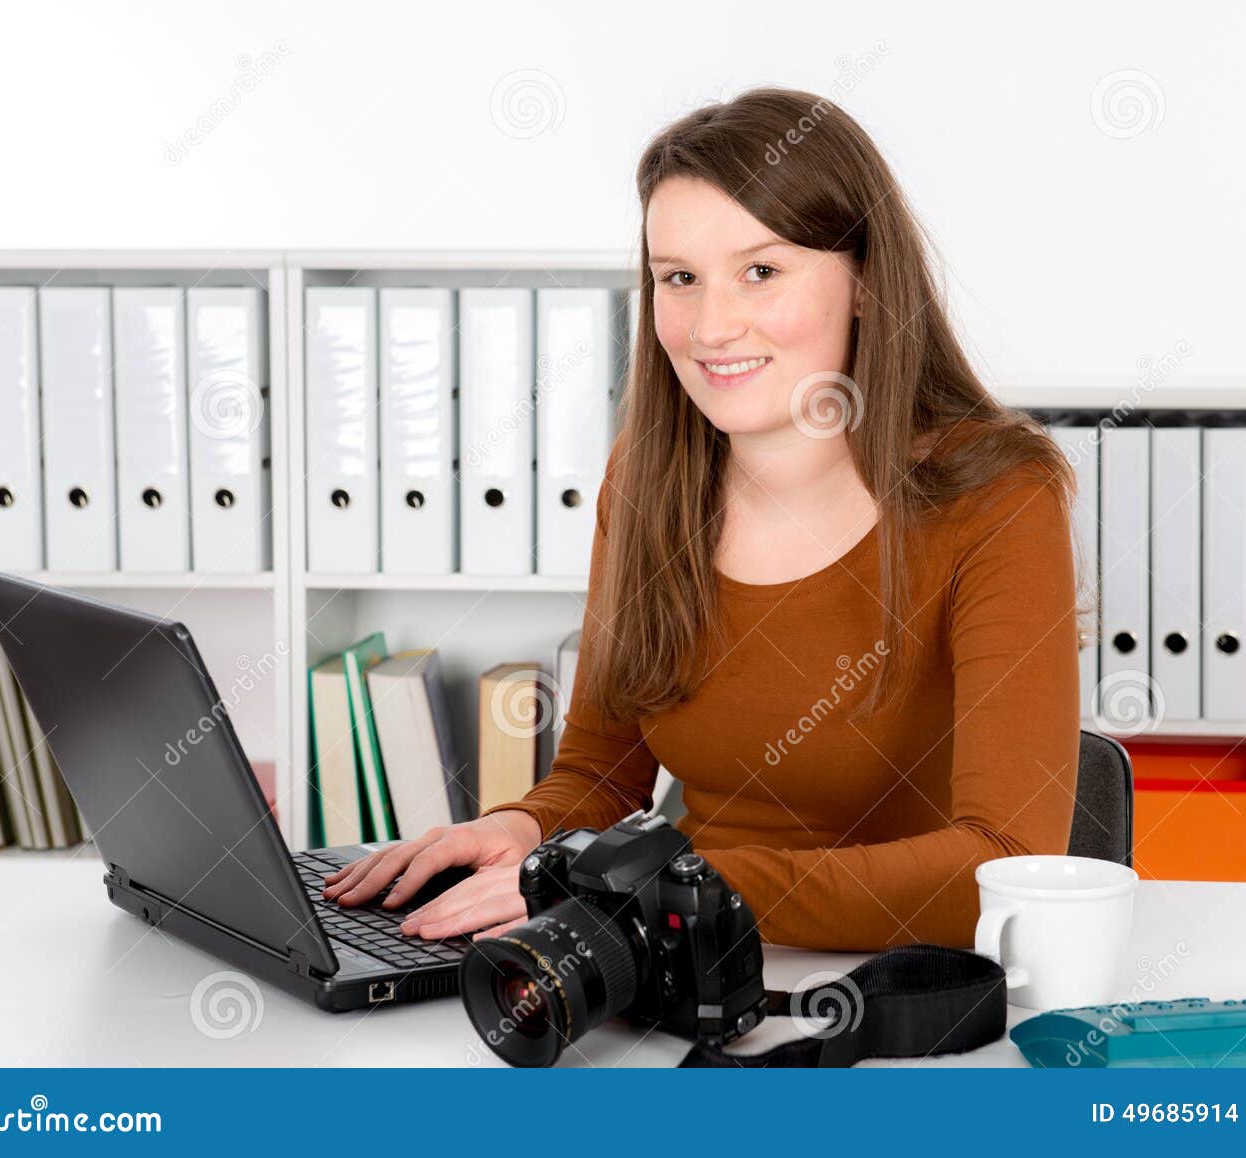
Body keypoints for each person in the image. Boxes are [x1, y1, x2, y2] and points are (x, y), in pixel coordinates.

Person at [323, 86, 1088, 952]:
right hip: (675, 955)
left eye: (760, 272)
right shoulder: (648, 480)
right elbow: (599, 771)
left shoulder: (996, 498)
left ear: (867, 283)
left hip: (894, 991)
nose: (711, 326)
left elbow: (1007, 864)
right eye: (679, 279)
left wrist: (666, 888)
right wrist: (527, 835)